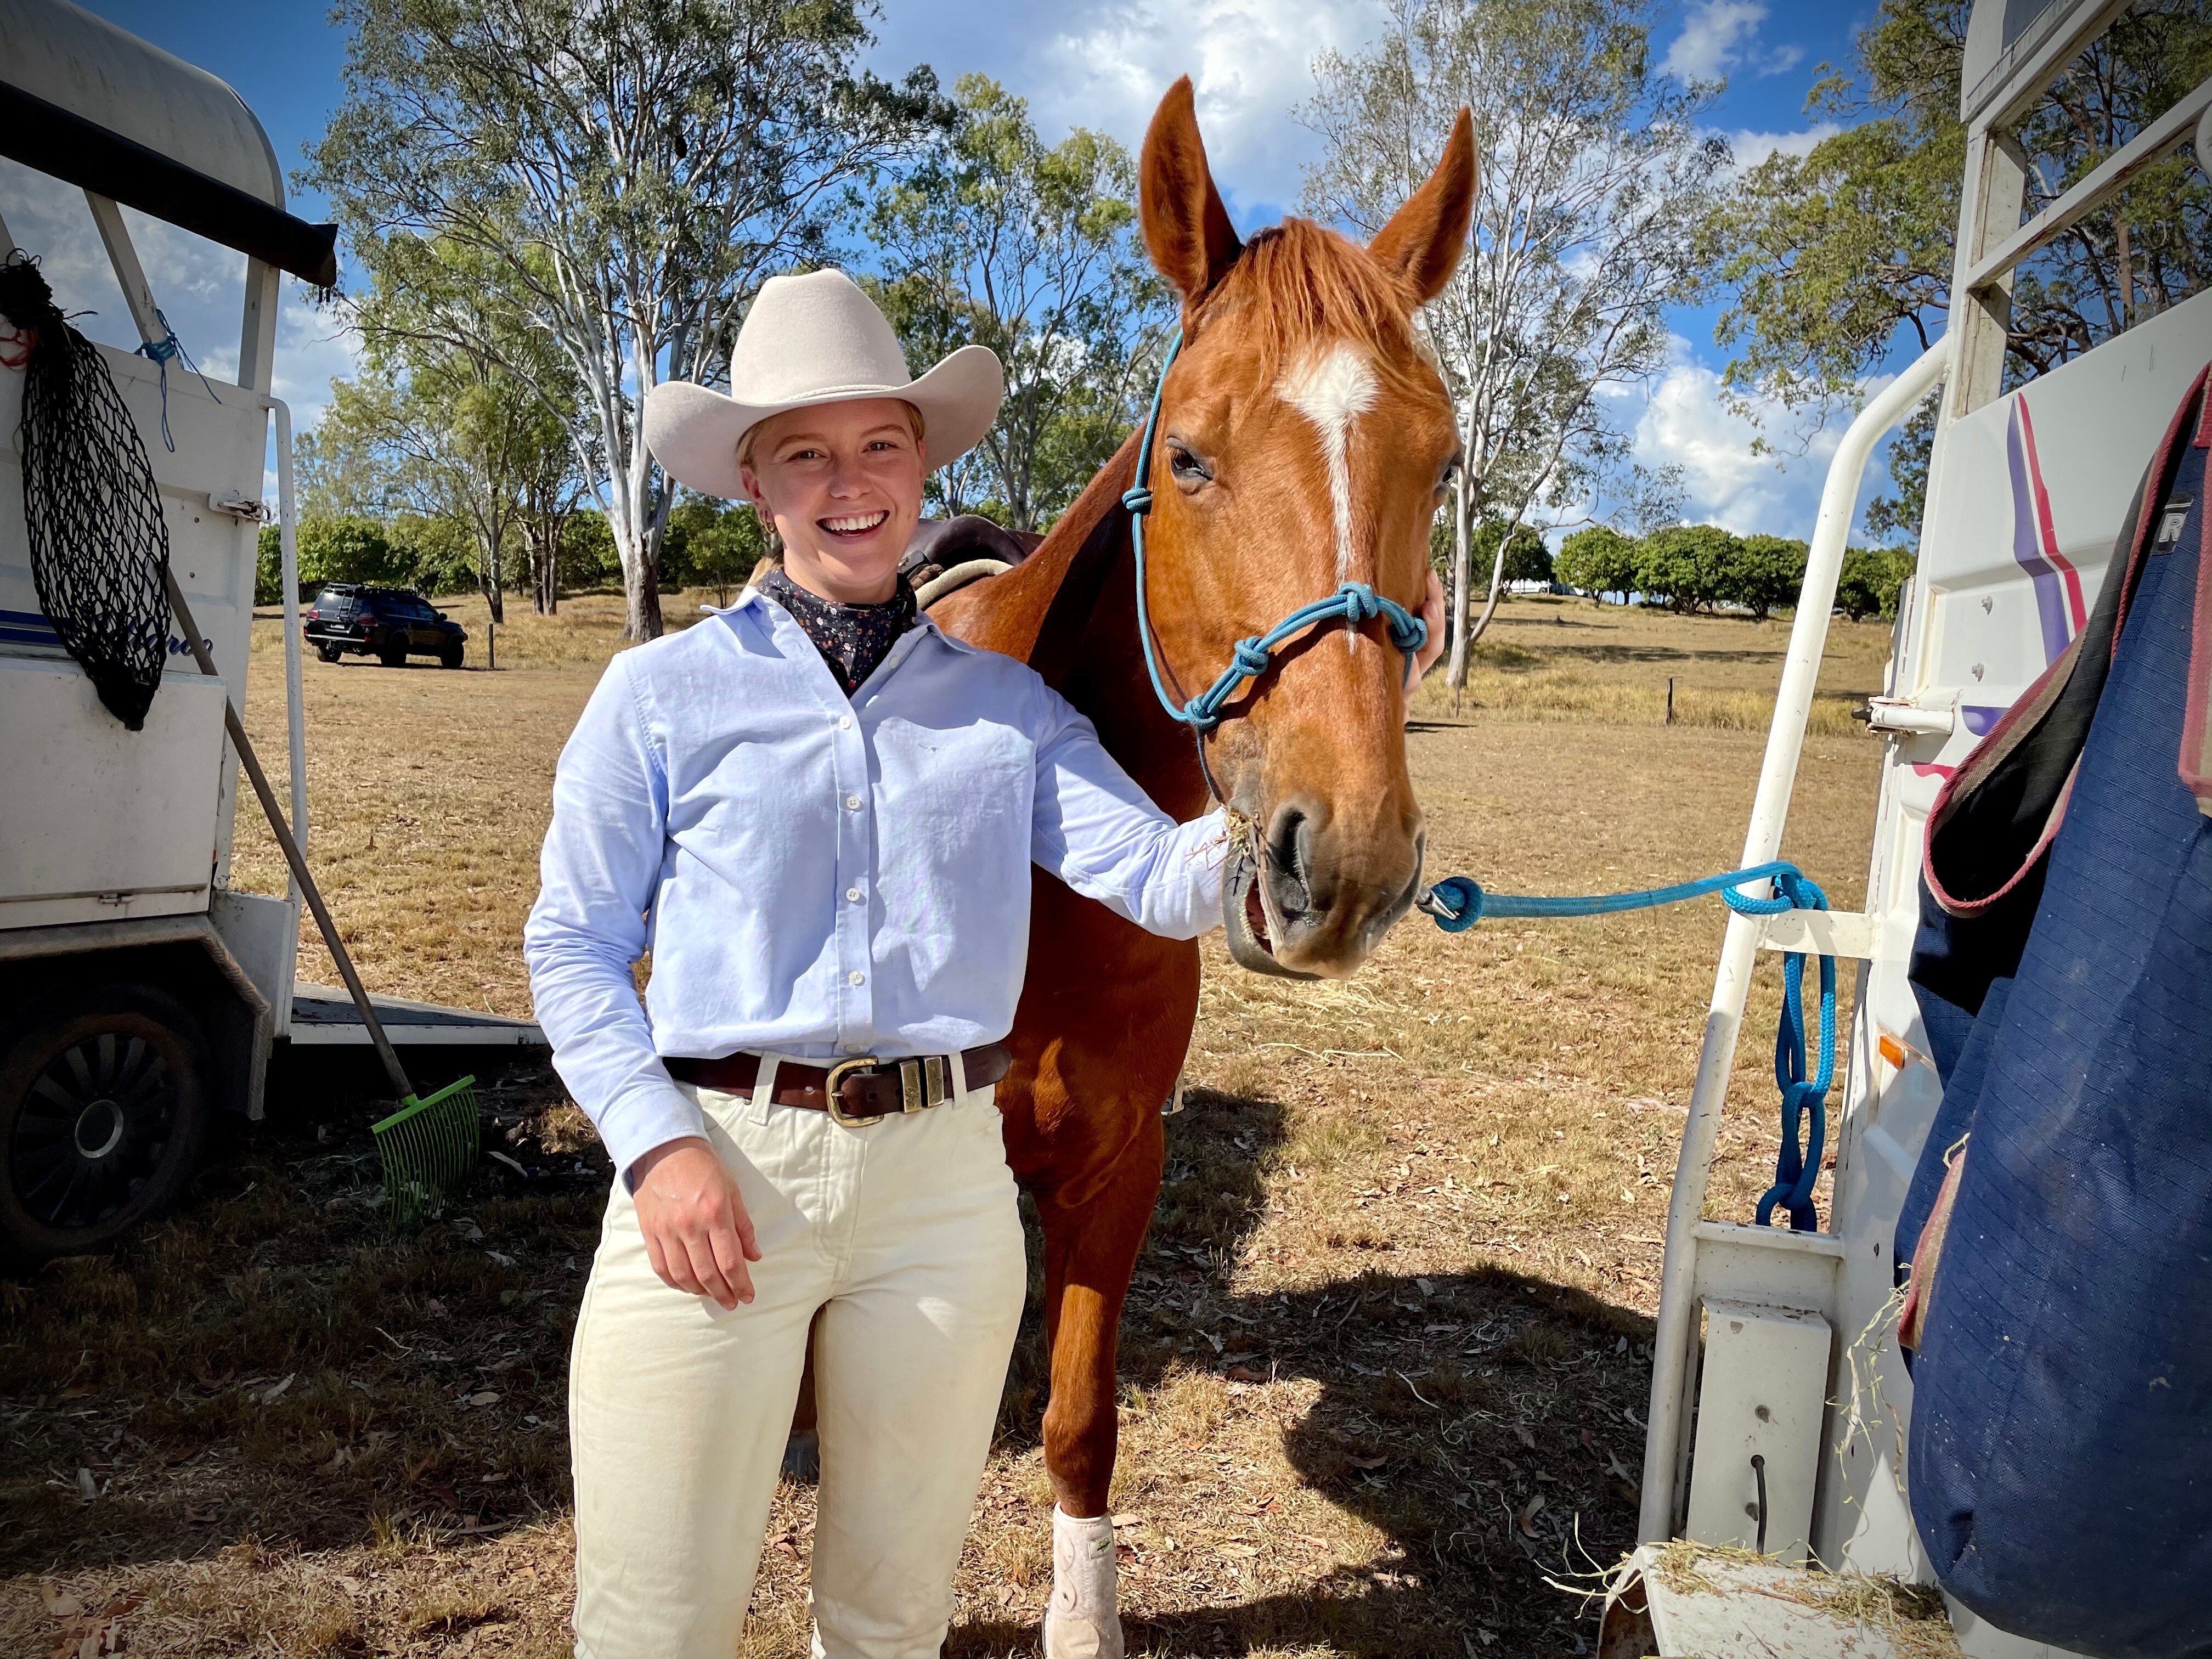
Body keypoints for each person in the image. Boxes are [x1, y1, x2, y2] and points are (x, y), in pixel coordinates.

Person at [525, 267, 1444, 1659]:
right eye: (806, 453)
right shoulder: (658, 695)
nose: (851, 482)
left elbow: (1146, 869)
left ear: (919, 466)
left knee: (897, 1617)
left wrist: (1286, 824)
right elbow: (575, 948)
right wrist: (656, 1150)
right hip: (720, 1167)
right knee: (654, 1620)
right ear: (756, 485)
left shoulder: (1006, 708)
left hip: (945, 1196)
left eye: (880, 445)